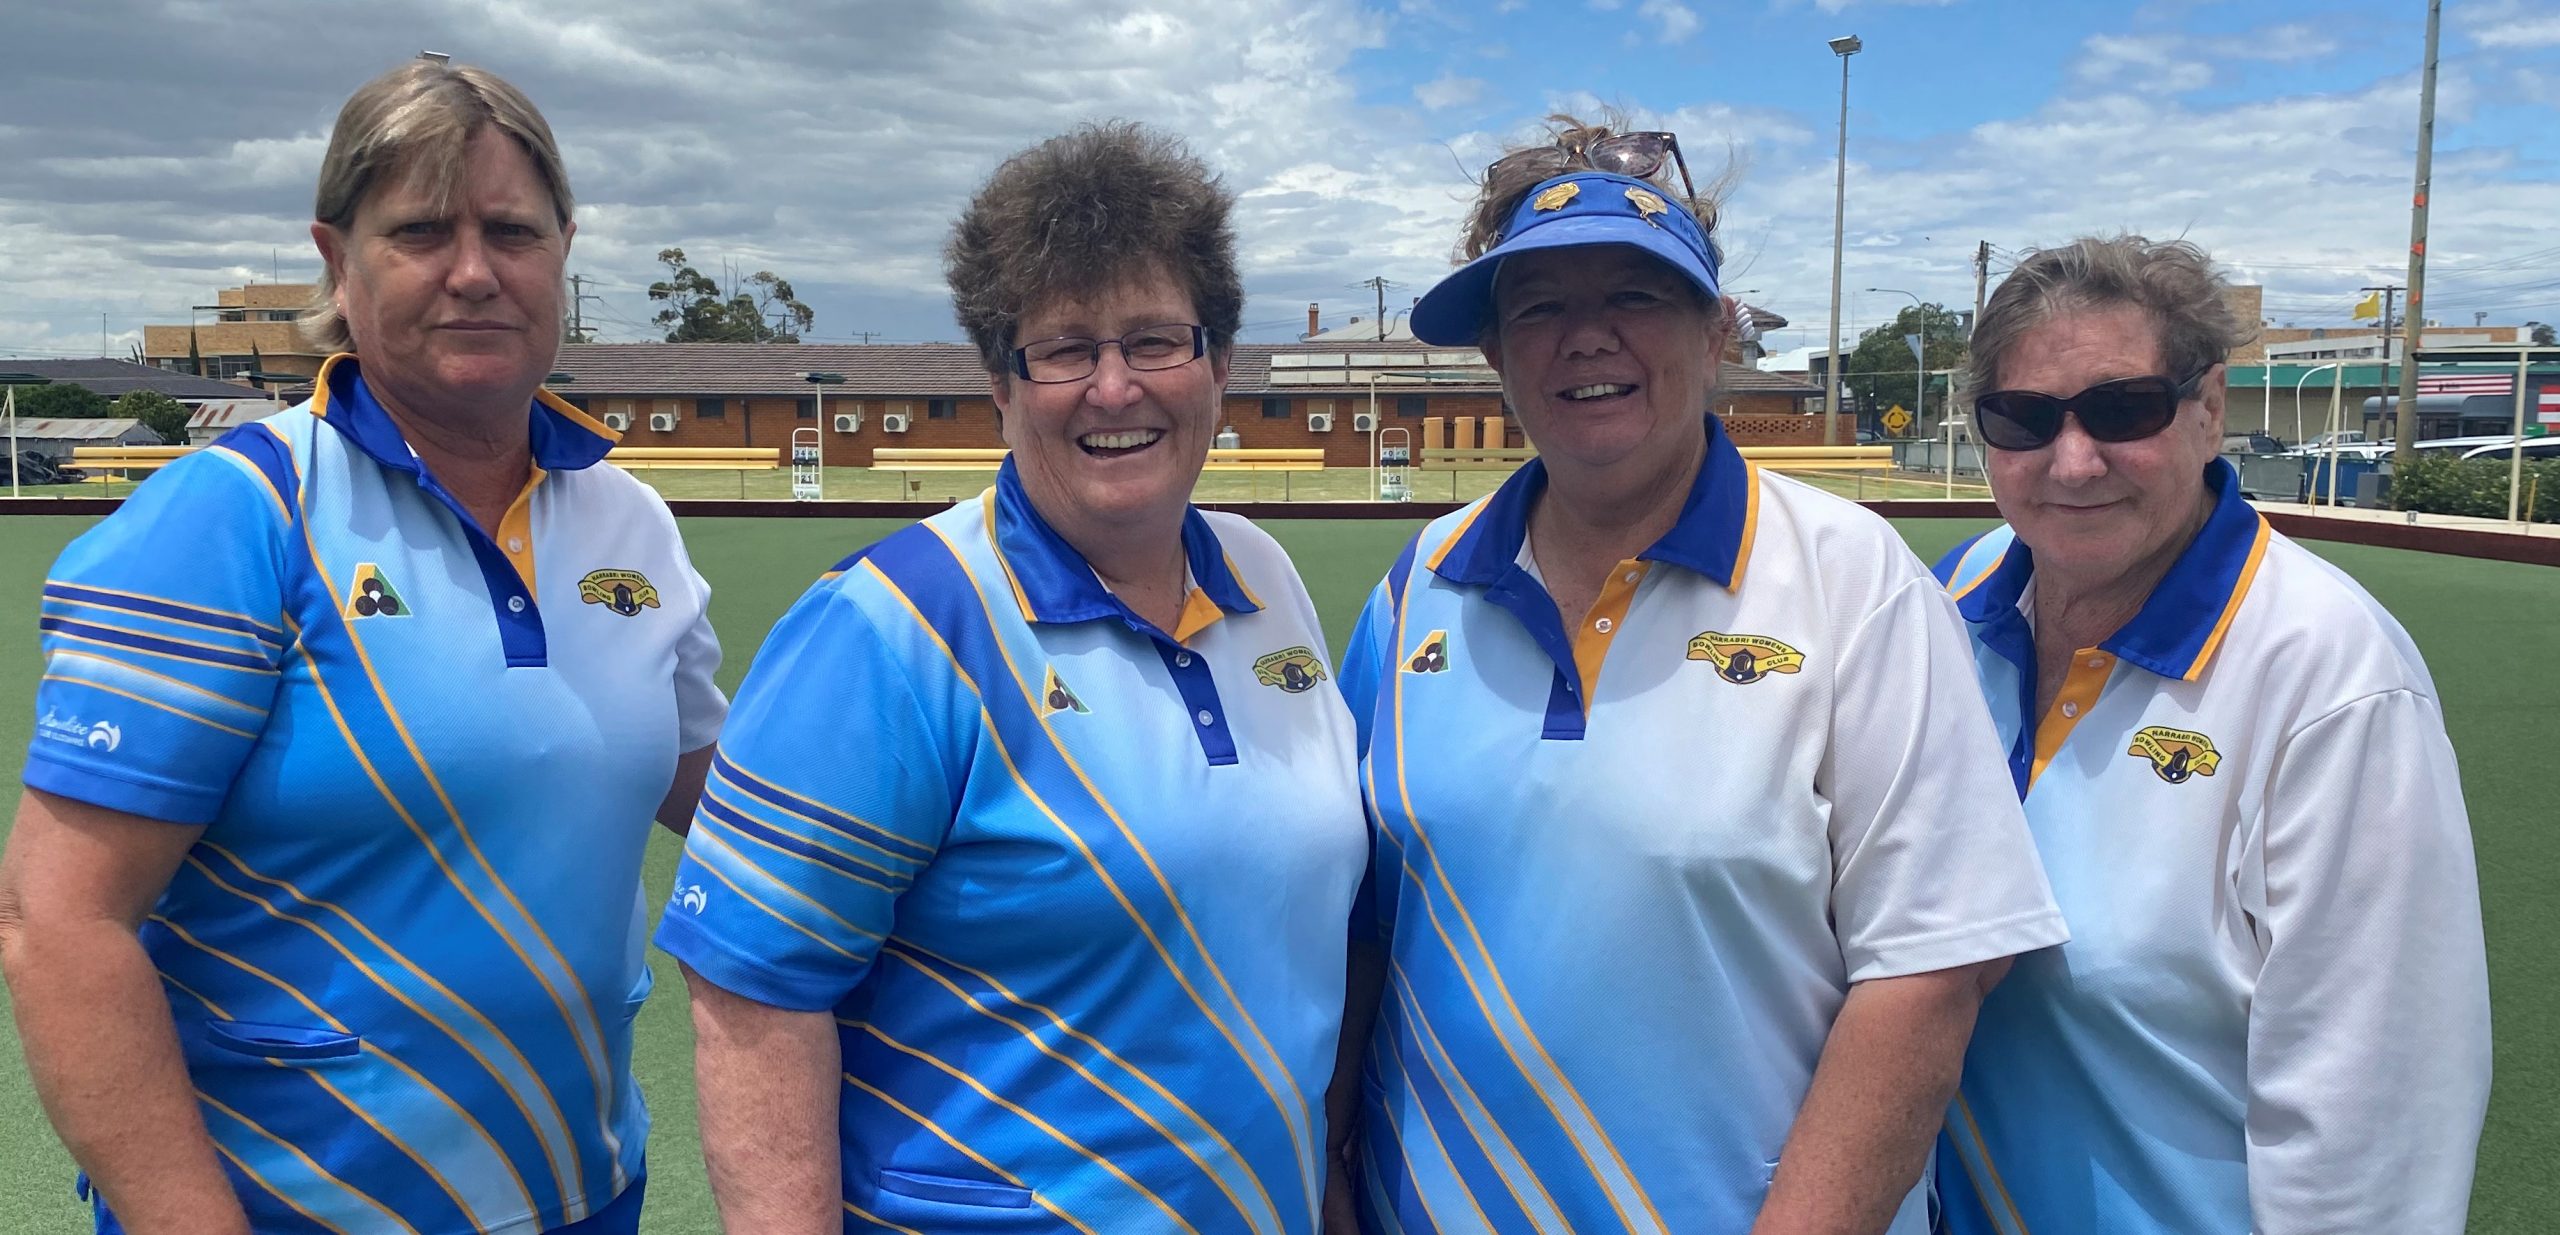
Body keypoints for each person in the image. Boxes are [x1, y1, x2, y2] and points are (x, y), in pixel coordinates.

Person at [0, 58, 724, 1235]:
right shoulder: (237, 514)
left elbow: (730, 800)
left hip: (579, 1190)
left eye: (512, 230)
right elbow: (59, 923)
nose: (475, 271)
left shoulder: (626, 517)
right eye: (422, 230)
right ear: (338, 260)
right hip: (284, 1205)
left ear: (565, 250)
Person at [1328, 118, 2067, 1234]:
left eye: (1635, 295)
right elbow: (1361, 935)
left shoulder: (1848, 576)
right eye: (1537, 307)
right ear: (1494, 352)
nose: (1587, 339)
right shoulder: (1413, 590)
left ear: (1715, 330)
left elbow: (1935, 970)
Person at [654, 122, 1368, 1234]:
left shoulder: (1264, 577)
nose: (1115, 386)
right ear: (1001, 378)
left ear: (1220, 363)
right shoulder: (890, 625)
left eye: (1154, 339)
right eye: (1065, 347)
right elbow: (754, 994)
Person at [1932, 235, 2490, 1235]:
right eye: (2021, 417)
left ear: (2210, 408)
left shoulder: (2329, 673)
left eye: (2121, 409)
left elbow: (2373, 1117)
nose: (2071, 460)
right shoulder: (1959, 594)